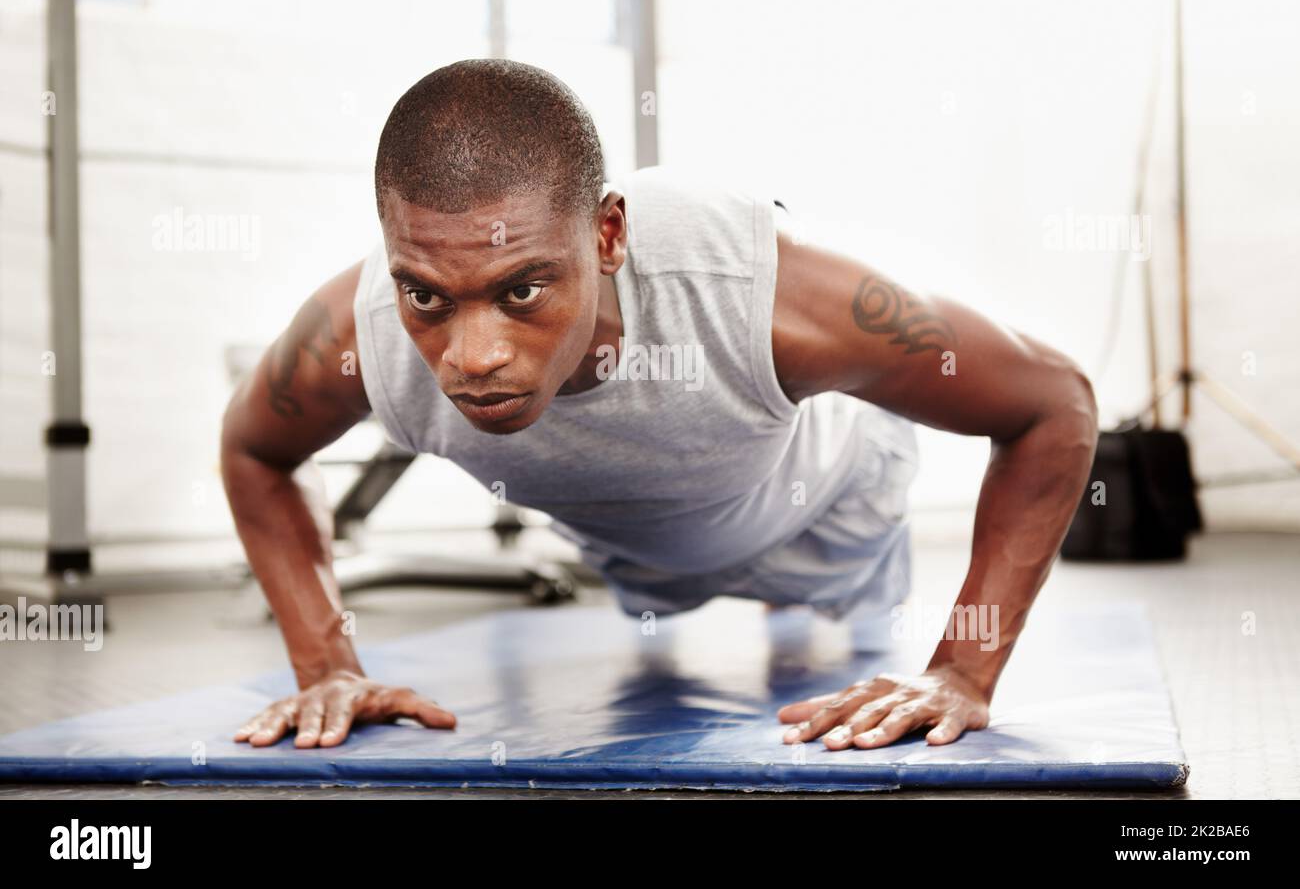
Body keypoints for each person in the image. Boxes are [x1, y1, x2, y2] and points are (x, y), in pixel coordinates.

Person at [220, 59, 1098, 752]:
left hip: (827, 514)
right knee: (663, 583)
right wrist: (325, 664)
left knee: (829, 625)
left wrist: (961, 674)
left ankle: (804, 596)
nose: (472, 357)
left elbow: (1053, 402)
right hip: (643, 557)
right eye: (428, 299)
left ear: (608, 234)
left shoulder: (758, 288)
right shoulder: (359, 330)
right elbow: (254, 452)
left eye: (522, 289)